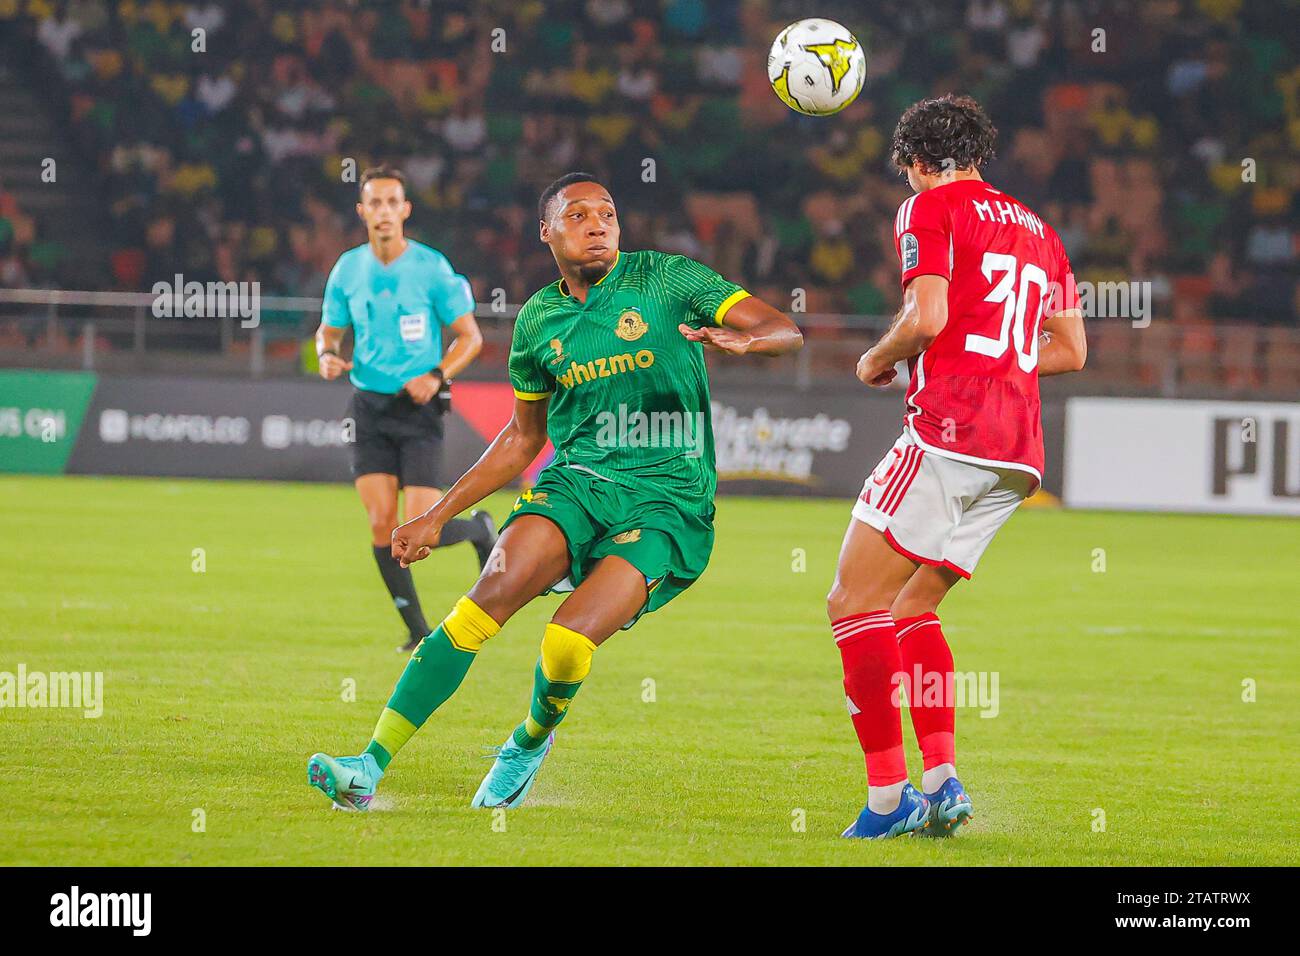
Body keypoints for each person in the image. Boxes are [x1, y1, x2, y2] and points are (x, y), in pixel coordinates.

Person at [307, 172, 803, 811]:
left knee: (567, 641)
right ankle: (367, 766)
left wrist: (747, 338)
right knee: (479, 605)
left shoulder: (668, 280)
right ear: (546, 231)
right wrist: (434, 514)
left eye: (608, 212)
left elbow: (784, 329)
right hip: (575, 486)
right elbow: (521, 440)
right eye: (578, 215)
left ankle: (528, 741)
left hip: (668, 502)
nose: (598, 224)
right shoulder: (540, 320)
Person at [830, 96, 1087, 838]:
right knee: (911, 609)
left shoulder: (929, 209)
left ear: (914, 162)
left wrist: (876, 358)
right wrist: (1003, 350)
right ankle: (942, 782)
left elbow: (930, 318)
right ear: (978, 153)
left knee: (852, 604)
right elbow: (1071, 351)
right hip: (1018, 455)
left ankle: (888, 801)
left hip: (951, 433)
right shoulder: (1042, 231)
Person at [316, 165, 497, 653]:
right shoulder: (348, 269)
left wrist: (436, 374)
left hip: (418, 412)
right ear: (362, 212)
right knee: (381, 524)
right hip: (368, 407)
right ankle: (417, 629)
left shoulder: (432, 268)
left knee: (419, 535)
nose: (383, 211)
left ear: (405, 210)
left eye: (392, 202)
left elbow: (470, 337)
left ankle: (479, 527)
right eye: (374, 203)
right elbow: (328, 334)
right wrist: (326, 356)